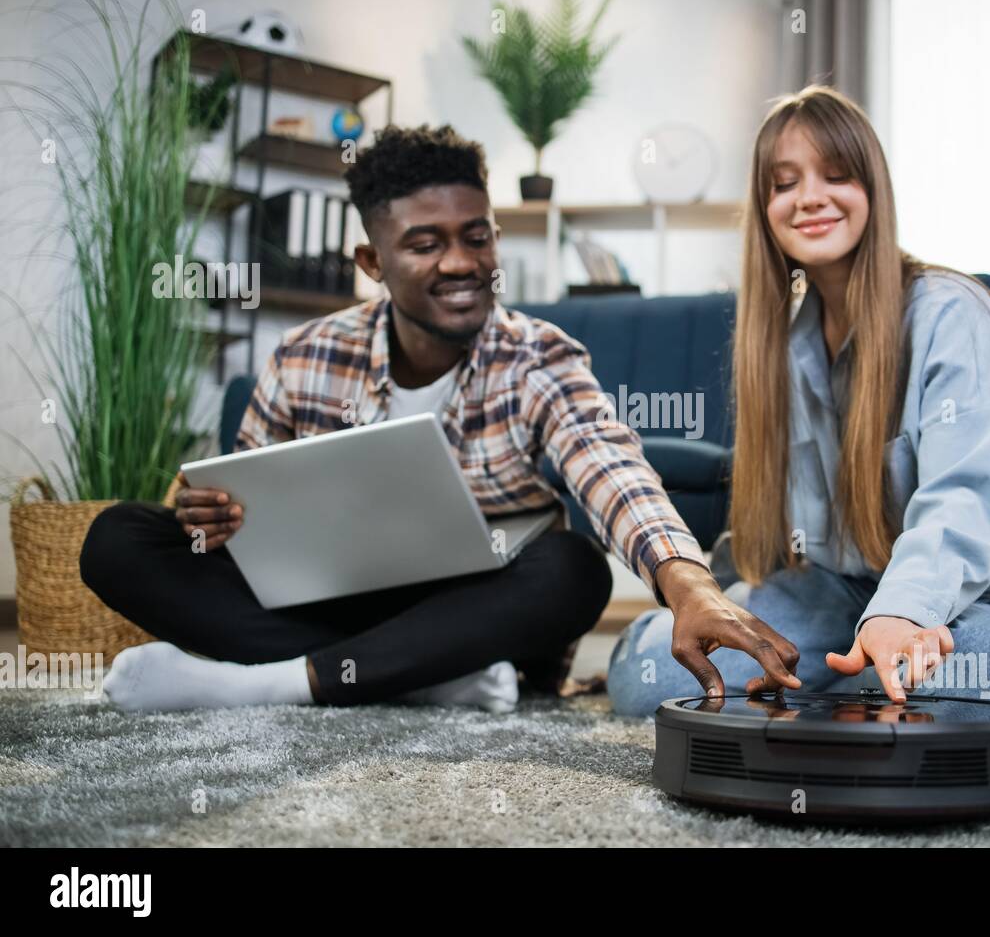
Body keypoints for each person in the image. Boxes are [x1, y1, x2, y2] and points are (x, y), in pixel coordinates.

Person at [79, 124, 801, 714]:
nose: (461, 263)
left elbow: (610, 465)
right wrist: (208, 520)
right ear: (372, 260)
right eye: (425, 245)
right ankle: (420, 679)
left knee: (573, 570)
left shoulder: (539, 356)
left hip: (470, 609)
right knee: (117, 540)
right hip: (337, 608)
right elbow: (243, 518)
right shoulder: (305, 354)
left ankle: (274, 683)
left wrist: (689, 584)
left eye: (476, 237)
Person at [607, 86, 990, 716]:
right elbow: (778, 534)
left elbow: (964, 503)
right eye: (784, 183)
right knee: (652, 676)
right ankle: (857, 697)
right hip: (836, 598)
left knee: (969, 684)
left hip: (978, 607)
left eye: (836, 175)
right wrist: (718, 603)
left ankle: (849, 692)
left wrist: (903, 613)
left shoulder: (953, 316)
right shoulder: (782, 342)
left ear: (872, 190)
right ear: (765, 206)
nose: (809, 197)